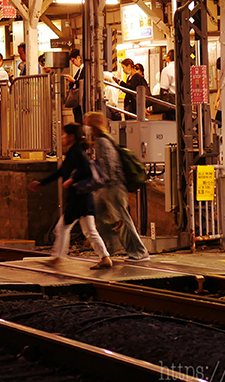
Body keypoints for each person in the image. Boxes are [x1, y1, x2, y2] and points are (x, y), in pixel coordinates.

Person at [29, 123, 113, 270]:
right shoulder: (75, 151)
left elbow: (85, 171)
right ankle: (105, 257)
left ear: (71, 137)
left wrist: (71, 180)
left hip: (79, 199)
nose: (62, 137)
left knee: (62, 227)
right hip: (85, 198)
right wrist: (41, 182)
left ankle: (57, 257)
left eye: (64, 135)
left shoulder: (76, 152)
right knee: (89, 231)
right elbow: (61, 172)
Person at [85, 111, 150, 261]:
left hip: (112, 187)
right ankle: (109, 249)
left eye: (87, 125)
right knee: (99, 214)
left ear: (93, 126)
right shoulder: (103, 139)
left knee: (123, 218)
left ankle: (140, 252)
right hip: (108, 187)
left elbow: (109, 164)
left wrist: (104, 182)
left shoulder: (102, 141)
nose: (86, 128)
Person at [66, 48, 84, 124]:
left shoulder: (85, 69)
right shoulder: (79, 70)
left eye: (73, 61)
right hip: (77, 103)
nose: (73, 63)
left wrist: (73, 81)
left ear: (78, 57)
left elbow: (83, 83)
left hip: (81, 101)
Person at [158, 50, 177, 121]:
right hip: (184, 99)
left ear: (169, 57)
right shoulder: (182, 68)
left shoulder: (166, 70)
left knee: (170, 122)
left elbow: (164, 87)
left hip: (171, 100)